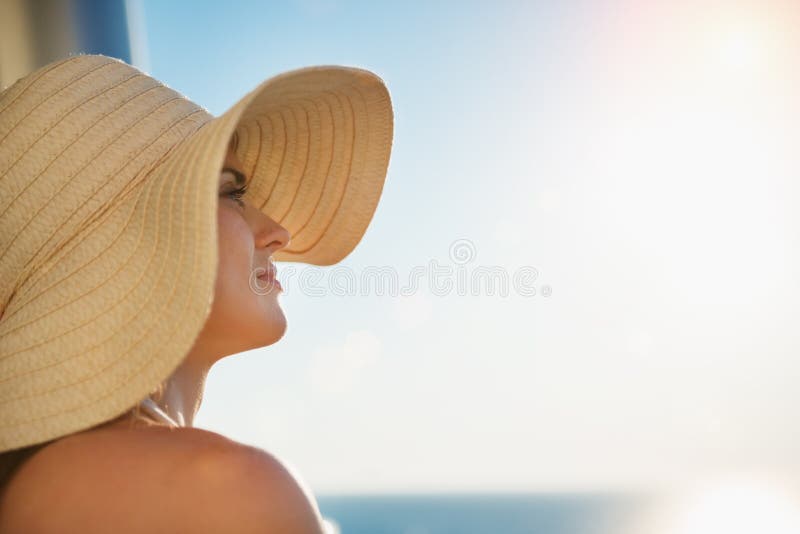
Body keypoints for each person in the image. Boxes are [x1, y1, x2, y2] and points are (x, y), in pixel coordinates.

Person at [0, 53, 393, 533]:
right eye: (231, 193)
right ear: (130, 238)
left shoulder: (40, 484)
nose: (277, 233)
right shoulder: (221, 490)